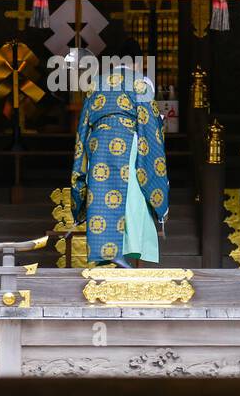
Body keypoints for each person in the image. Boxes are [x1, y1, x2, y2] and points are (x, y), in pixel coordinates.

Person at [70, 40, 170, 267]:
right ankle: (129, 252)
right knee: (132, 196)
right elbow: (149, 122)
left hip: (98, 144)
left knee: (101, 194)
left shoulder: (95, 84)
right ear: (136, 62)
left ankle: (105, 253)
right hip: (130, 141)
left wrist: (82, 159)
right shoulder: (142, 83)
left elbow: (83, 125)